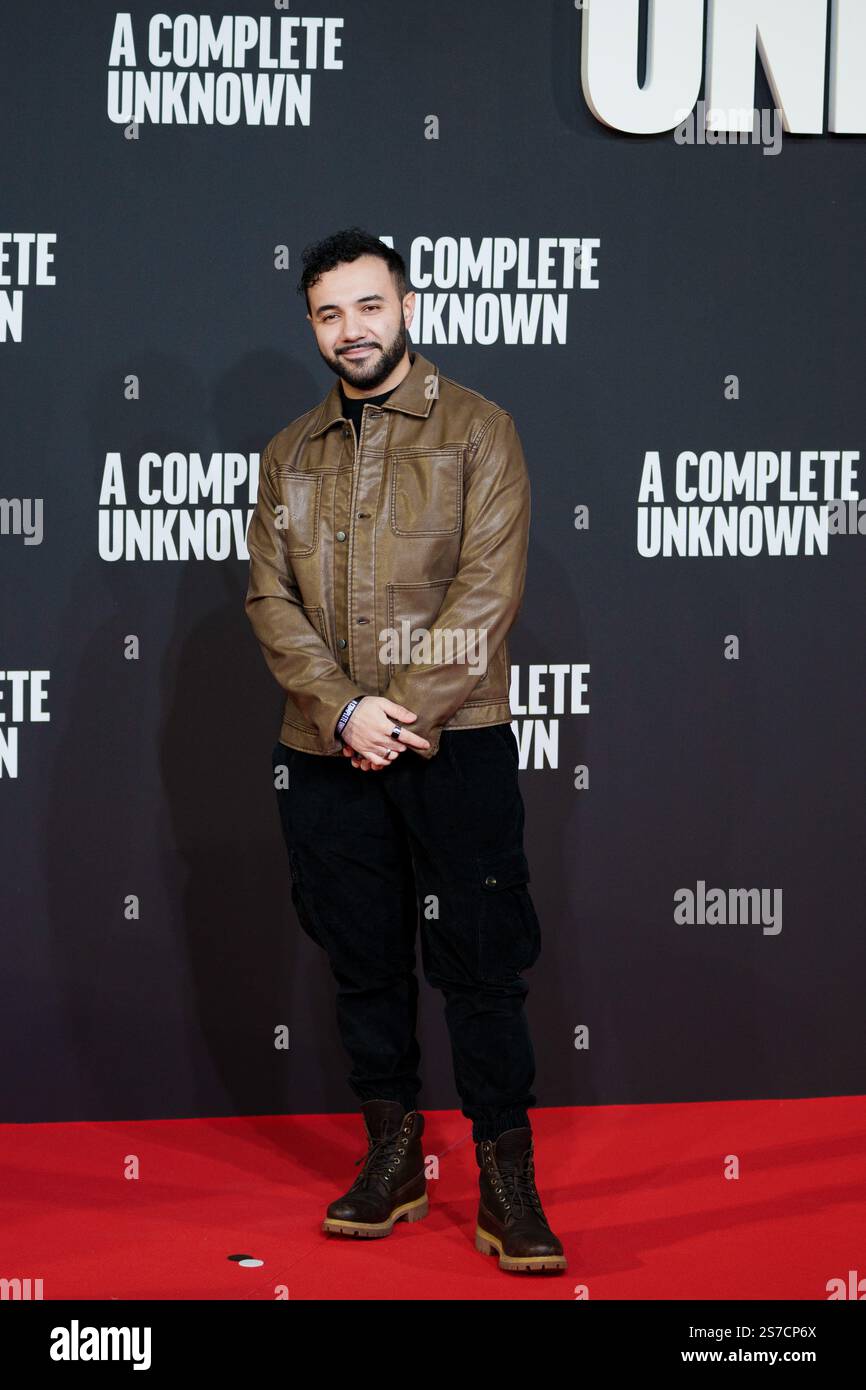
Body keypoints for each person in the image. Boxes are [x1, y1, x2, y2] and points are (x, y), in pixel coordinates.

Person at [245, 226, 565, 1273]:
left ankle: (505, 1181)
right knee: (363, 963)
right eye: (330, 313)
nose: (351, 330)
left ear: (408, 306)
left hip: (454, 746)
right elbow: (269, 598)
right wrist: (341, 711)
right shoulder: (288, 451)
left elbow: (488, 591)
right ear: (311, 326)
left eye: (368, 306)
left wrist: (397, 711)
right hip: (323, 748)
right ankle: (393, 1158)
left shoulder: (481, 430)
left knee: (481, 968)